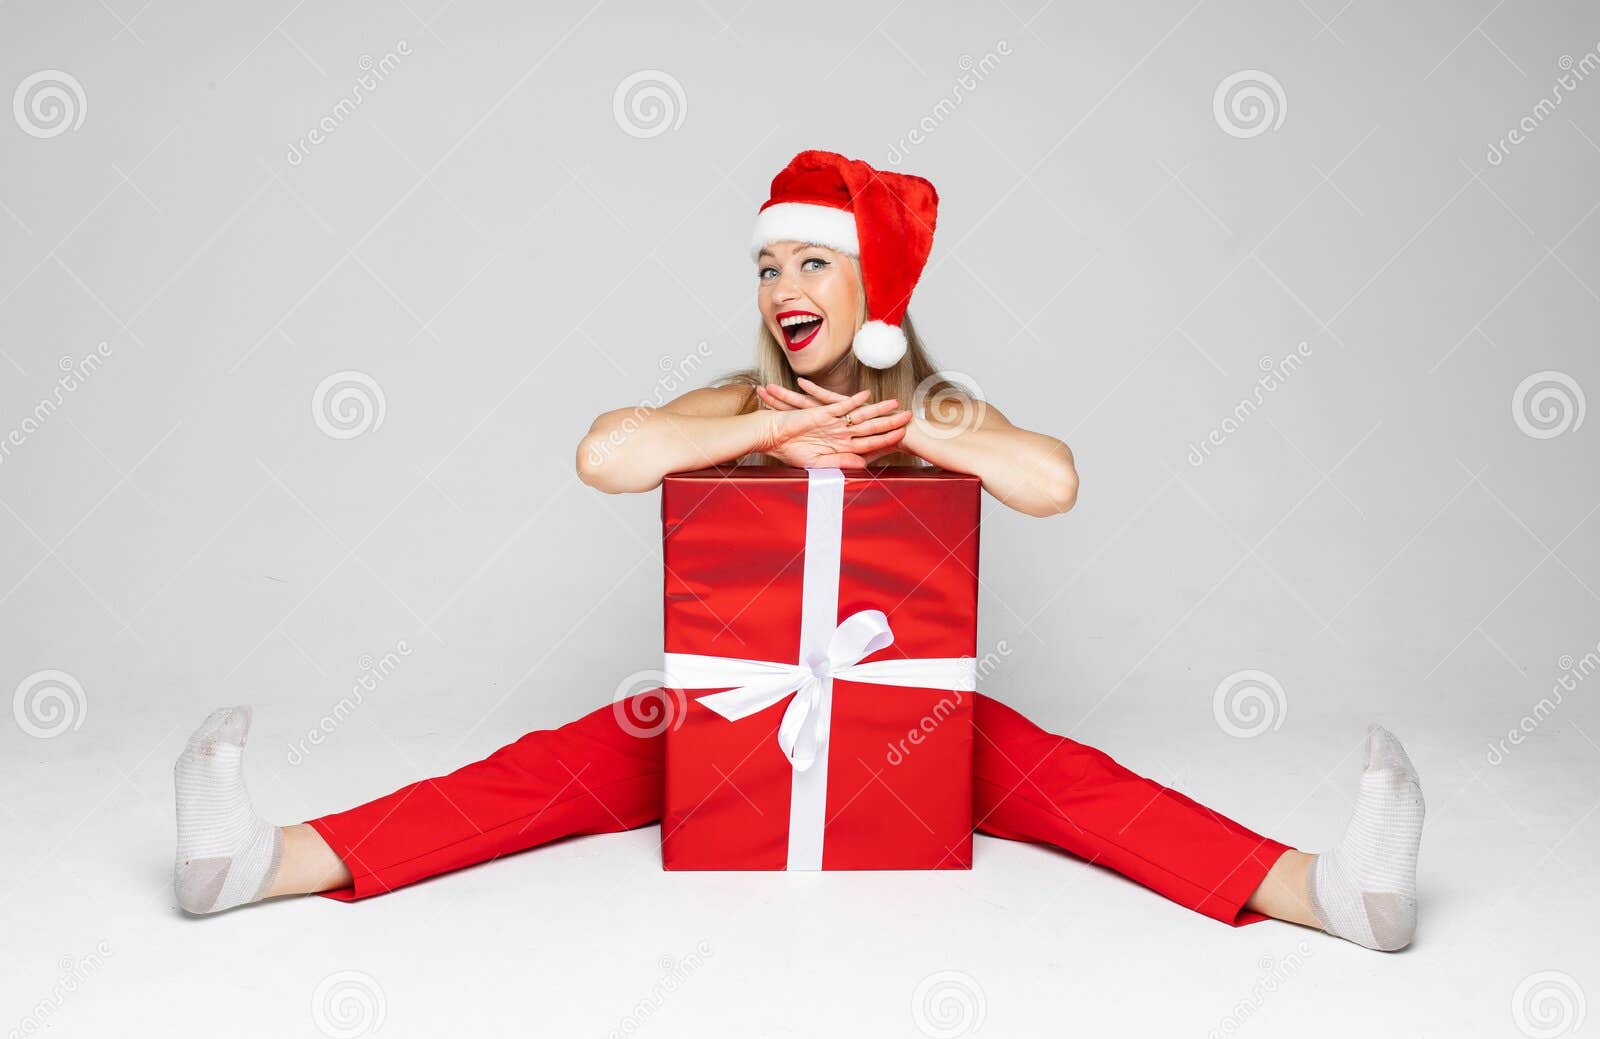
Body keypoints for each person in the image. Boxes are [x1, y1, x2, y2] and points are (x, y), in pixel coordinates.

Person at [173, 150, 1424, 951]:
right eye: (769, 262)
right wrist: (761, 433)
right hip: (726, 712)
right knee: (542, 770)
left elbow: (1050, 480)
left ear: (871, 291)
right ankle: (263, 861)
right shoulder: (738, 399)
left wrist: (929, 432)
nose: (782, 280)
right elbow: (607, 455)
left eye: (811, 258)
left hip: (906, 726)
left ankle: (1326, 890)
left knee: (1069, 782)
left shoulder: (929, 408)